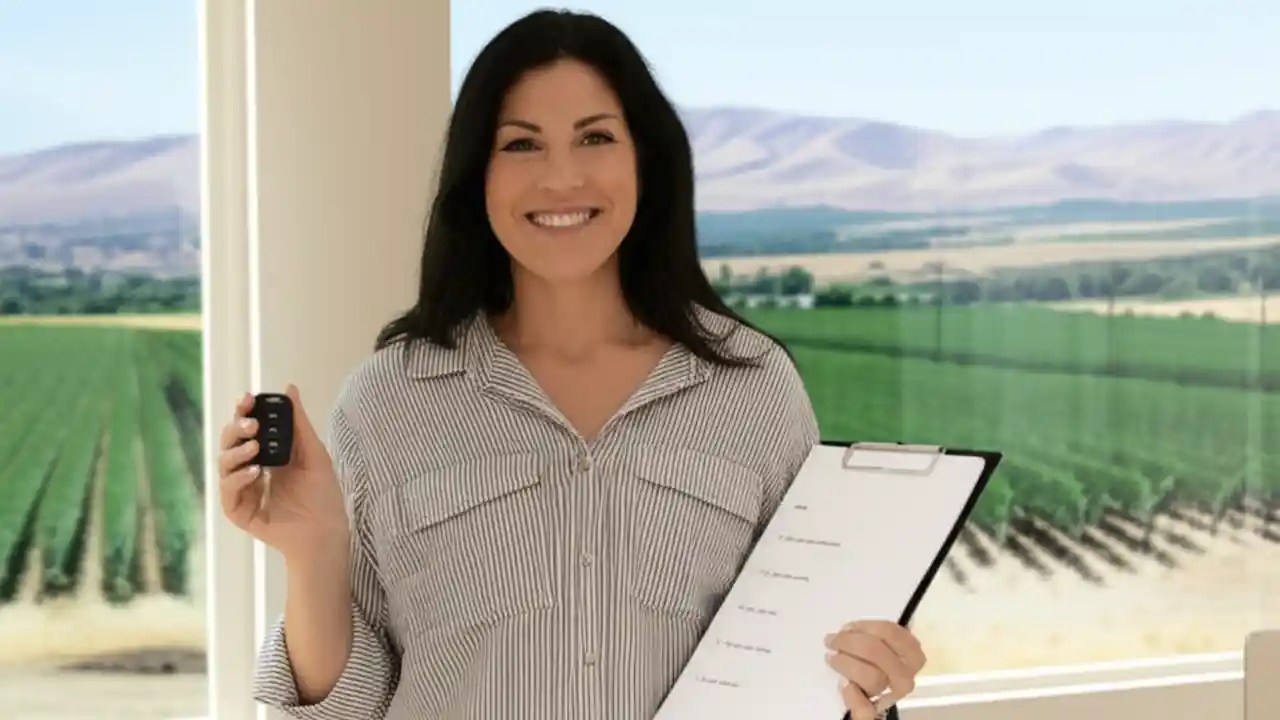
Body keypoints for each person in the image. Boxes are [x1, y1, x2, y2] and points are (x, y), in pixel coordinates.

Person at [216, 8, 926, 720]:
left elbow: (800, 668)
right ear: (478, 175)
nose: (562, 177)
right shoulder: (388, 401)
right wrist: (313, 554)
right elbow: (345, 709)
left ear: (645, 159)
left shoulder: (753, 388)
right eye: (522, 144)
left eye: (595, 137)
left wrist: (866, 678)